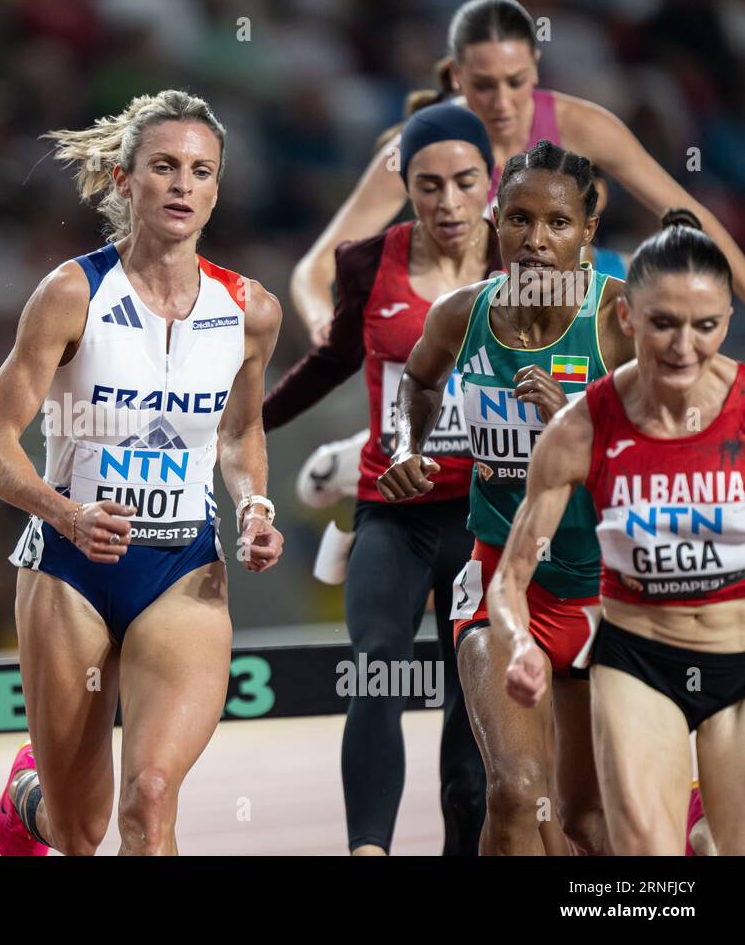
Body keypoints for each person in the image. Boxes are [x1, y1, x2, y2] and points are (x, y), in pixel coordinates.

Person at [0, 90, 284, 856]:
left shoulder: (250, 311)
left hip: (182, 570)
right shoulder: (73, 293)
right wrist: (65, 513)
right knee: (80, 831)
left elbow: (240, 434)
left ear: (216, 190)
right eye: (164, 167)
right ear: (123, 180)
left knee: (149, 799)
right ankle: (30, 798)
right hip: (71, 570)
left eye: (201, 171)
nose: (182, 185)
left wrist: (253, 506)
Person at [378, 139, 635, 855]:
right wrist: (408, 447)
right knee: (517, 794)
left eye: (557, 224)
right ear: (495, 220)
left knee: (587, 823)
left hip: (607, 597)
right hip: (501, 585)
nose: (535, 241)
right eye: (518, 219)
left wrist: (579, 424)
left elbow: (665, 451)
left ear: (588, 231)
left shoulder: (620, 322)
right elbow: (420, 381)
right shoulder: (462, 314)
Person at [263, 104, 499, 856]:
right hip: (390, 516)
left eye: (465, 182)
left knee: (475, 709)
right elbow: (331, 359)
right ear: (403, 185)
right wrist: (243, 425)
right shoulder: (367, 262)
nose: (448, 203)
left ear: (491, 183)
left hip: (485, 518)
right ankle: (368, 850)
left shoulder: (523, 270)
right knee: (374, 676)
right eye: (428, 185)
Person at [495, 210, 744, 855]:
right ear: (628, 317)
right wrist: (519, 643)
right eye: (663, 324)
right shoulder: (581, 428)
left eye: (706, 326)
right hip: (638, 662)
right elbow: (509, 580)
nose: (684, 347)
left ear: (728, 322)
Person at [290, 0, 745, 345]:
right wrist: (322, 323)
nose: (504, 103)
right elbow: (315, 267)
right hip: (473, 329)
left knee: (656, 282)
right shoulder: (419, 143)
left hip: (571, 314)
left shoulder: (582, 125)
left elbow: (690, 217)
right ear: (455, 76)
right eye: (484, 86)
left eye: (516, 81)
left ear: (536, 66)